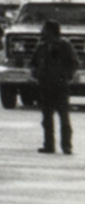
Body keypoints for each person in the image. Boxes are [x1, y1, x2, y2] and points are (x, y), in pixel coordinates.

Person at [32, 16, 76, 158]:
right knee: (46, 118)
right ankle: (49, 144)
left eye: (45, 30)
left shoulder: (65, 46)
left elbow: (74, 63)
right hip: (45, 85)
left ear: (51, 31)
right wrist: (36, 73)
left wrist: (66, 75)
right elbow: (33, 62)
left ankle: (66, 146)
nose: (42, 32)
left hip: (60, 85)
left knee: (64, 117)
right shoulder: (41, 47)